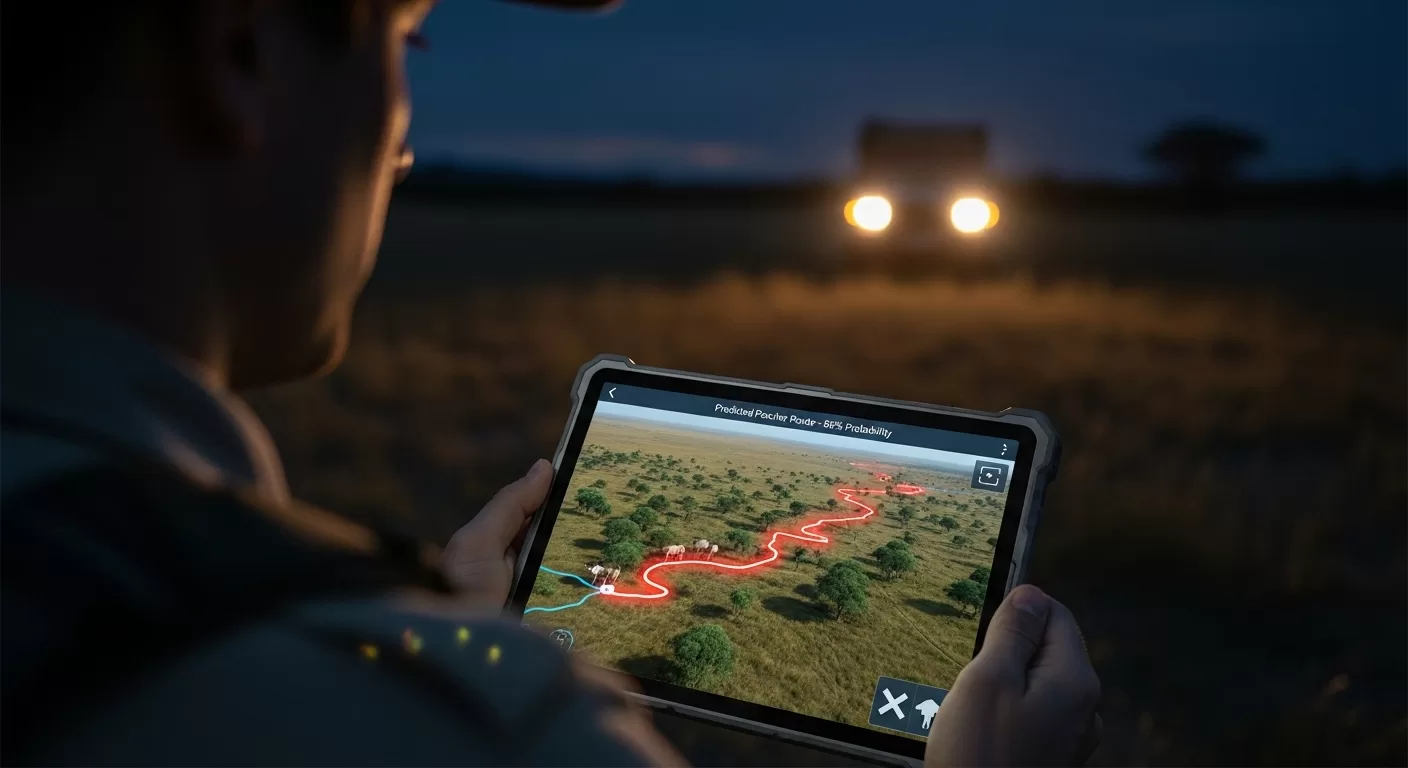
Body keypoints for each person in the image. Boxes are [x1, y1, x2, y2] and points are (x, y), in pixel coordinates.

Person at [0, 1, 1100, 765]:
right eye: (408, 45)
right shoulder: (448, 734)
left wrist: (473, 633)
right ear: (236, 51)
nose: (403, 151)